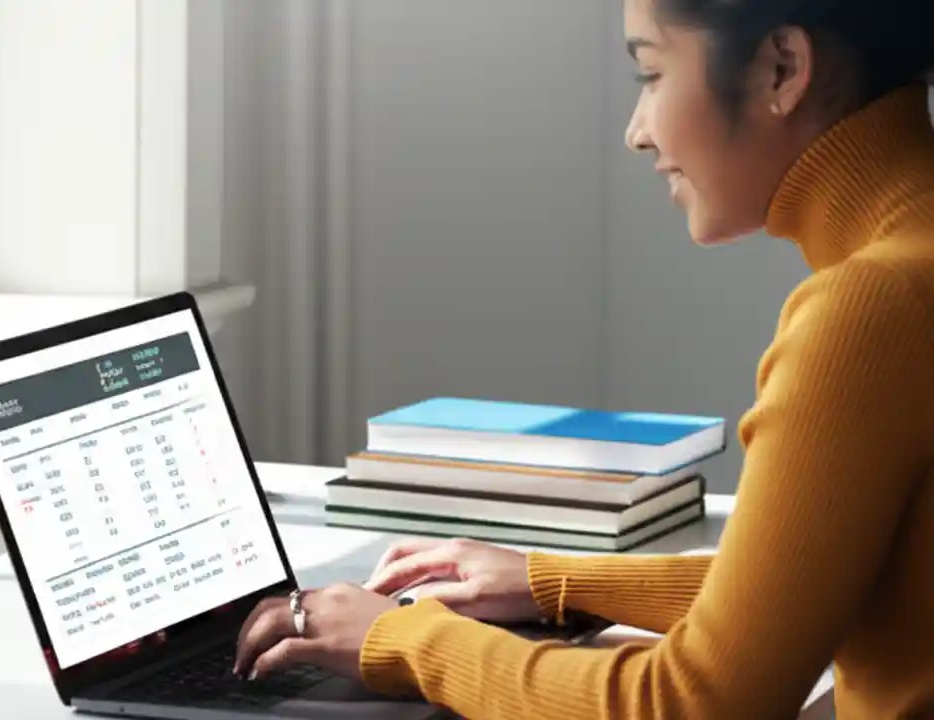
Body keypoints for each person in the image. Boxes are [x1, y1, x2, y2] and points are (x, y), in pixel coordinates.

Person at [233, 0, 934, 717]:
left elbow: (697, 703)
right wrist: (555, 582)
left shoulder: (870, 310)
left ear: (782, 68)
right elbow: (821, 587)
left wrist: (403, 640)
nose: (637, 131)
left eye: (651, 72)